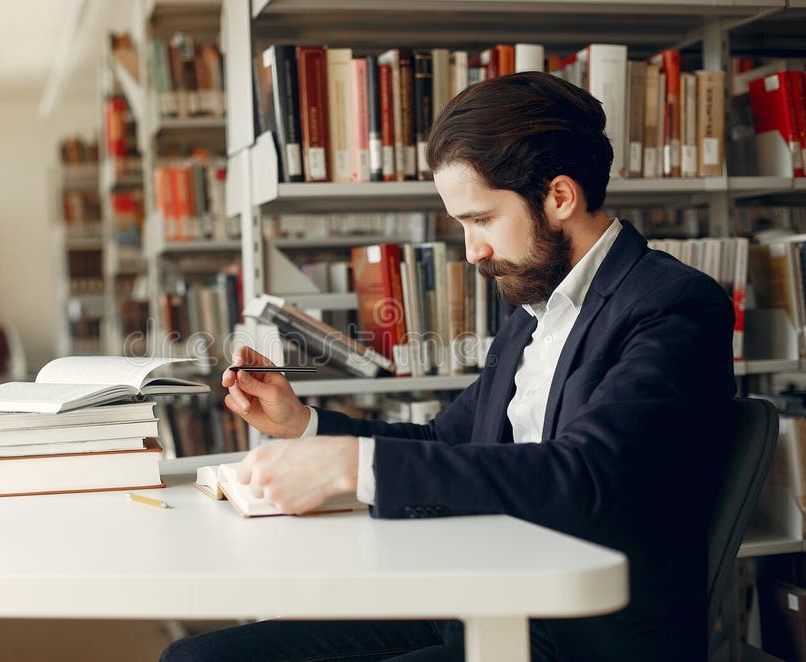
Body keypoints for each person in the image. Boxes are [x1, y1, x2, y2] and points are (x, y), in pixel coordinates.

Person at [161, 71, 736, 662]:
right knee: (197, 660)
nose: (472, 251)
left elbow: (588, 476)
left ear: (559, 198)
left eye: (481, 219)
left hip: (579, 635)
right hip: (480, 598)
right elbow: (445, 440)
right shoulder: (532, 307)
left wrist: (353, 467)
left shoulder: (673, 305)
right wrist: (302, 425)